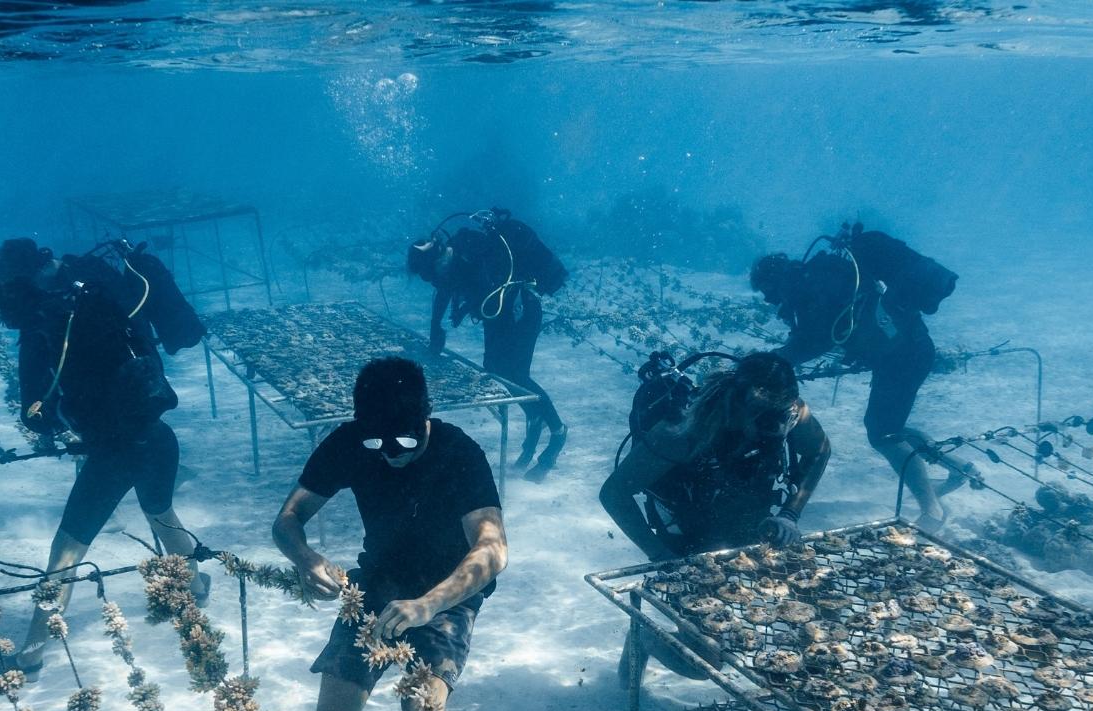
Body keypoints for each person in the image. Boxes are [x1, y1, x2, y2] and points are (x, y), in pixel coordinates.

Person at [272, 356, 507, 711]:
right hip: (376, 585)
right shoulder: (351, 442)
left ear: (427, 416)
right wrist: (306, 559)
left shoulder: (459, 453)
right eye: (378, 444)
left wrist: (429, 604)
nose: (392, 454)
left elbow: (493, 549)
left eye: (404, 440)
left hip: (446, 592)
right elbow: (287, 520)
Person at [0, 237, 206, 680]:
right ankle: (197, 585)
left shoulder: (44, 323)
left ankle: (31, 656)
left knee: (66, 553)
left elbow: (36, 415)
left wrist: (64, 420)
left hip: (112, 452)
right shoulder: (103, 287)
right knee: (161, 514)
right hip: (157, 436)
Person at [600, 352, 830, 680]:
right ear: (738, 405)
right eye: (763, 416)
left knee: (796, 622)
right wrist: (661, 555)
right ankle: (644, 637)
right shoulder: (683, 430)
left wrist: (790, 514)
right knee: (703, 664)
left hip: (747, 526)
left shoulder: (790, 411)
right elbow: (614, 493)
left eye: (781, 415)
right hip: (686, 535)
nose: (776, 426)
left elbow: (820, 450)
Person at [751, 224, 964, 529]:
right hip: (910, 350)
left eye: (767, 292)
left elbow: (814, 341)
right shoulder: (823, 276)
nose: (770, 301)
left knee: (883, 434)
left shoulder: (813, 289)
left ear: (776, 281)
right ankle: (959, 468)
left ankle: (932, 511)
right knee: (890, 425)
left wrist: (769, 361)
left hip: (903, 358)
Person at [407, 208, 569, 480]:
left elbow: (484, 287)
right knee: (494, 368)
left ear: (438, 256)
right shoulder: (451, 262)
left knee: (517, 374)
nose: (431, 279)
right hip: (499, 315)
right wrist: (436, 325)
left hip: (522, 311)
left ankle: (557, 432)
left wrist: (453, 315)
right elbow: (446, 290)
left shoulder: (471, 253)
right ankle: (534, 419)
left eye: (429, 273)